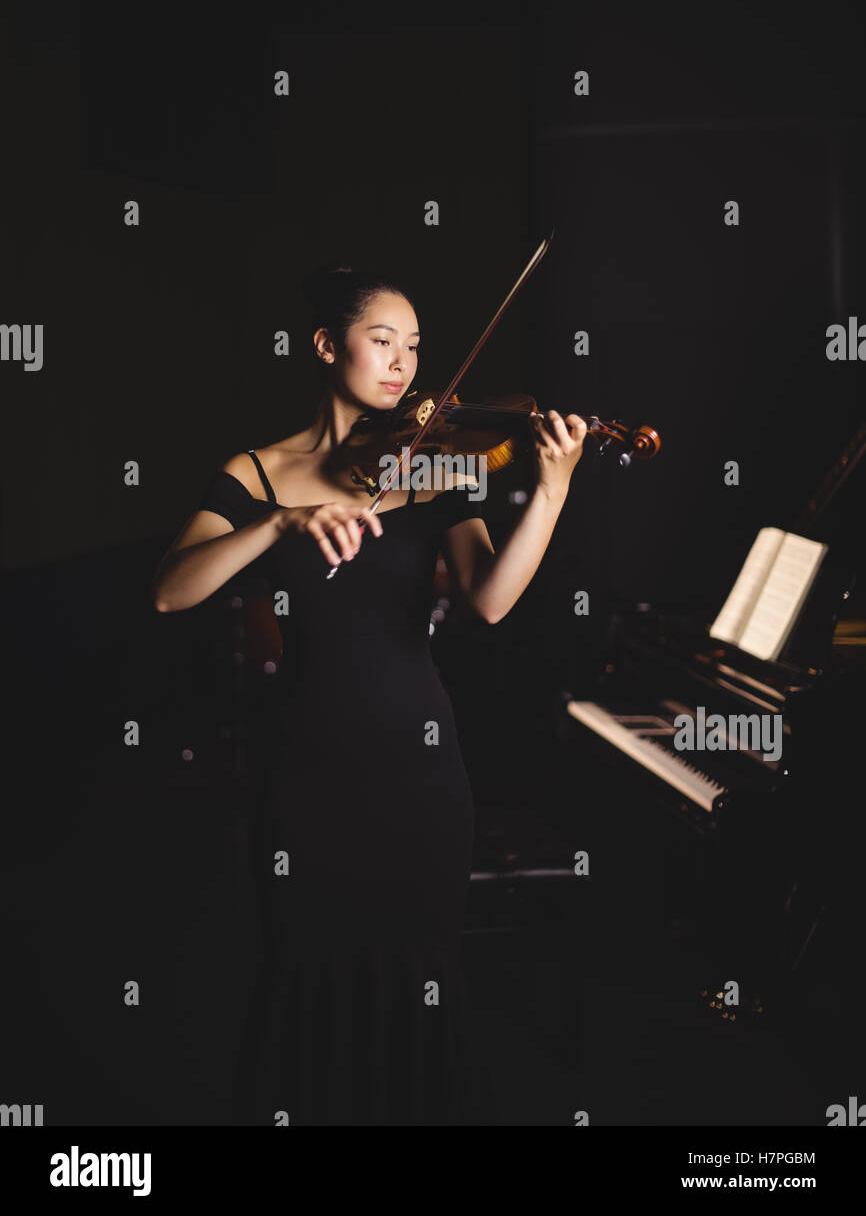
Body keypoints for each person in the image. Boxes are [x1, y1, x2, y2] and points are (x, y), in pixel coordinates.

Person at [151, 265, 587, 1125]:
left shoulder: (435, 468)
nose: (402, 364)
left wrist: (554, 489)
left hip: (420, 772)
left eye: (414, 347)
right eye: (382, 340)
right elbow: (170, 591)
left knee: (421, 976)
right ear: (326, 345)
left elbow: (490, 600)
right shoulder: (257, 473)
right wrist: (277, 523)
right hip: (303, 770)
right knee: (306, 969)